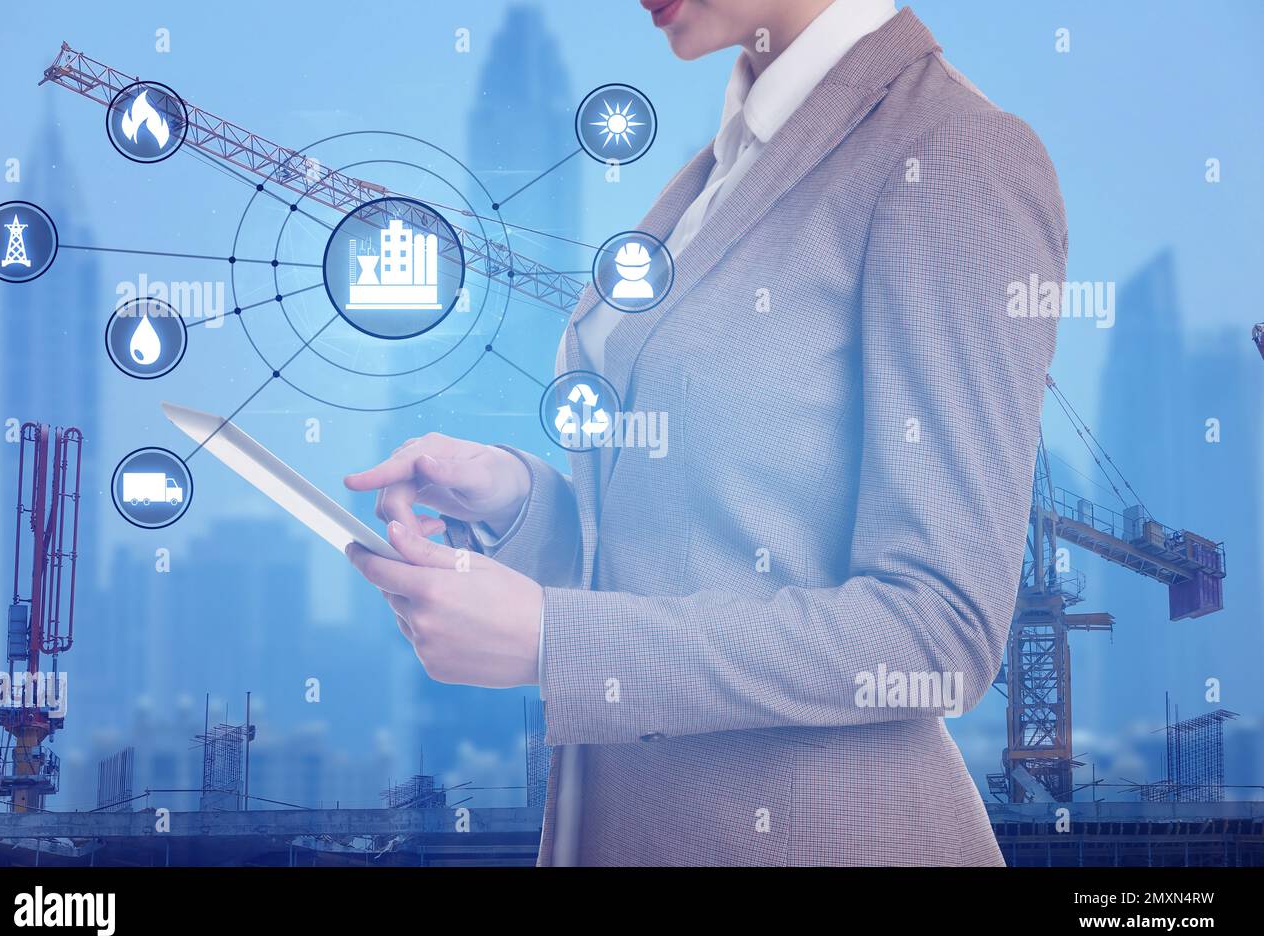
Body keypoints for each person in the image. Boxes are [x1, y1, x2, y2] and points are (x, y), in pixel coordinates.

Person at [344, 0, 1067, 866]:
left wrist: (556, 642)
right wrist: (517, 507)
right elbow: (704, 549)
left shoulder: (950, 154)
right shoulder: (725, 168)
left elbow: (940, 630)